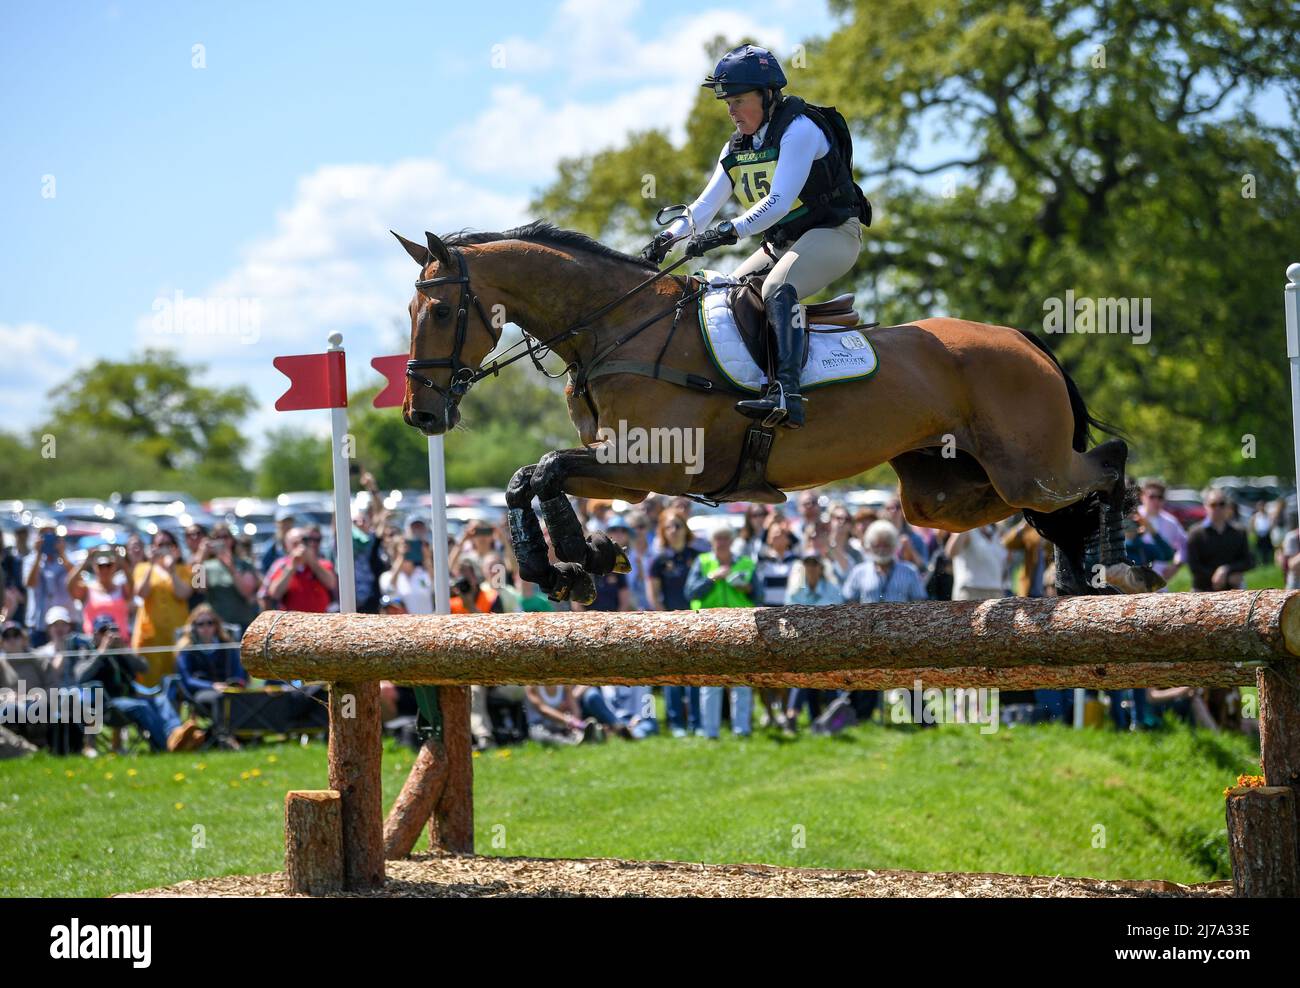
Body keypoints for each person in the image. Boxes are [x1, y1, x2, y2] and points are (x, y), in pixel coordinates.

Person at [640, 45, 870, 429]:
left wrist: (728, 232)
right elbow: (702, 207)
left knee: (777, 287)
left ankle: (787, 394)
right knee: (724, 294)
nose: (731, 111)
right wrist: (667, 237)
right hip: (784, 244)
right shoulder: (735, 147)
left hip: (833, 234)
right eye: (727, 103)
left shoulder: (799, 130)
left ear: (767, 96)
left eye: (739, 101)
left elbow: (778, 203)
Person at [826, 521, 929, 733]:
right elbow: (848, 600)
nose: (882, 549)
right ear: (869, 546)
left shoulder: (908, 571)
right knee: (865, 681)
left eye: (886, 544)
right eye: (877, 545)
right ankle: (861, 719)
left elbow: (920, 603)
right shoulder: (859, 572)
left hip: (901, 638)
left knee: (908, 681)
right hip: (867, 638)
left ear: (894, 546)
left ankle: (925, 722)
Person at [72, 615, 205, 753]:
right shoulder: (88, 651)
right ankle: (167, 744)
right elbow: (80, 676)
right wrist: (101, 653)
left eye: (113, 630)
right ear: (95, 635)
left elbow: (144, 668)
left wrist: (124, 651)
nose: (109, 635)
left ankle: (178, 733)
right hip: (107, 704)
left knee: (160, 700)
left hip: (131, 696)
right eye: (103, 631)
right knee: (142, 706)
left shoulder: (121, 651)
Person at [686, 527, 756, 739]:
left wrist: (745, 587)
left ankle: (742, 730)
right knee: (711, 682)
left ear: (732, 540)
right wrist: (712, 578)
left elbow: (758, 592)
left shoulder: (746, 562)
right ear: (712, 541)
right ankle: (710, 732)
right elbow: (690, 592)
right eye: (718, 538)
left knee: (742, 681)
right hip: (709, 626)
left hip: (741, 626)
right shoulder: (703, 561)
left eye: (726, 538)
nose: (722, 542)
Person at [648, 510, 701, 737]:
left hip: (696, 622)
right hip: (670, 623)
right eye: (669, 526)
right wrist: (665, 620)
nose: (674, 530)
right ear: (663, 531)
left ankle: (697, 722)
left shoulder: (697, 556)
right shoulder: (659, 560)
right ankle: (676, 722)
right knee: (672, 676)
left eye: (678, 525)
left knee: (697, 676)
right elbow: (653, 595)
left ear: (685, 528)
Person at [175, 604, 247, 748]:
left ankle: (249, 734)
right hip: (201, 692)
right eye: (201, 624)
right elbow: (187, 680)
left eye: (210, 623)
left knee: (248, 696)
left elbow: (239, 671)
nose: (206, 627)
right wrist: (212, 686)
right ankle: (224, 738)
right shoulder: (187, 649)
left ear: (216, 625)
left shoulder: (226, 645)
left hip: (229, 688)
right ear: (194, 627)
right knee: (218, 698)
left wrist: (237, 682)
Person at [130, 530, 194, 685]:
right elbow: (141, 593)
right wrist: (151, 564)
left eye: (168, 544)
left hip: (176, 634)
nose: (164, 548)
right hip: (150, 636)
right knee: (149, 680)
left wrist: (171, 569)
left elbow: (184, 594)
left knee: (176, 679)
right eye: (160, 545)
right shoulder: (142, 568)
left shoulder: (184, 569)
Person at [194, 523, 261, 636]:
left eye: (225, 537)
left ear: (232, 540)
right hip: (217, 627)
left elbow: (247, 592)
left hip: (242, 623)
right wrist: (200, 559)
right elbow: (199, 588)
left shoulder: (244, 563)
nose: (222, 541)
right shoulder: (207, 565)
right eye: (217, 538)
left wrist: (231, 567)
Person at [1185, 489, 1253, 591]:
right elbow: (1194, 567)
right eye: (1213, 504)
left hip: (1233, 591)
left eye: (1221, 504)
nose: (1217, 508)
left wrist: (1226, 569)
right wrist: (1221, 577)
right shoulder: (1195, 533)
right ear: (1205, 506)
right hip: (1203, 591)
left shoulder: (1239, 532)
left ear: (1227, 507)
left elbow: (1248, 561)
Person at [261, 527, 337, 612]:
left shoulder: (322, 563)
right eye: (295, 544)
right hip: (292, 622)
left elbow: (331, 583)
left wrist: (312, 562)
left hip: (320, 620)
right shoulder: (281, 565)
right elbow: (275, 593)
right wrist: (291, 568)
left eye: (304, 542)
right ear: (287, 547)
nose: (301, 547)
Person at [23, 526, 76, 648]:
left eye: (52, 536)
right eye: (44, 536)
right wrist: (38, 555)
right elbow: (29, 583)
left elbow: (77, 579)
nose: (48, 541)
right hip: (39, 624)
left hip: (66, 623)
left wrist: (62, 554)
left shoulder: (69, 557)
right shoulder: (30, 559)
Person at [68, 544, 132, 637]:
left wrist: (120, 560)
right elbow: (70, 586)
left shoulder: (121, 588)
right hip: (93, 646)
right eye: (100, 566)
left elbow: (132, 583)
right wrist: (86, 561)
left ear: (115, 566)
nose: (105, 569)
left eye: (109, 565)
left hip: (120, 645)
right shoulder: (87, 589)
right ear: (94, 566)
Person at [1137, 479, 1188, 588]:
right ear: (1142, 496)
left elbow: (1185, 545)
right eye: (1152, 496)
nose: (1156, 501)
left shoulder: (1171, 522)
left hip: (1158, 586)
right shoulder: (1132, 516)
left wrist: (1176, 566)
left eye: (1160, 497)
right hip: (1131, 584)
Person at [945, 523, 1007, 600]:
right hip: (970, 591)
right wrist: (965, 524)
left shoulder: (995, 530)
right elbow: (950, 552)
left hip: (996, 591)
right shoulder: (967, 529)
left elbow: (1006, 560)